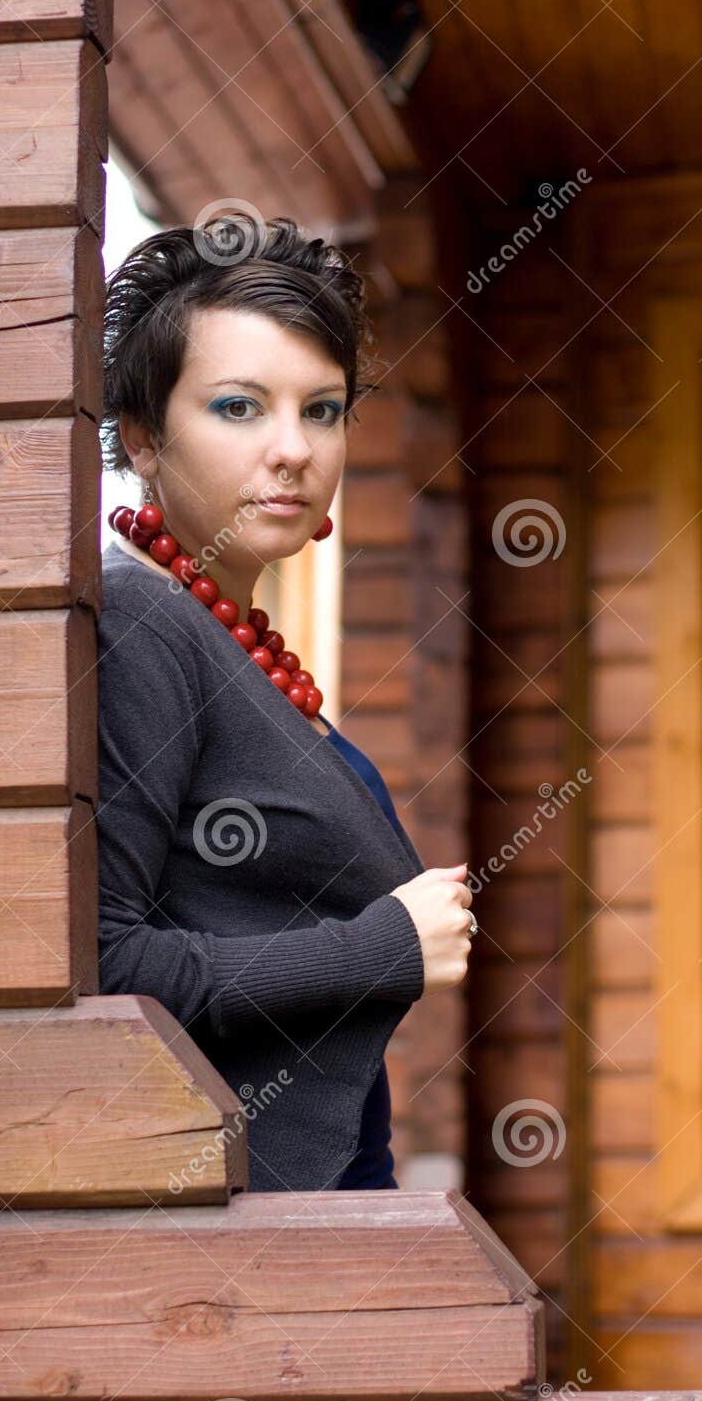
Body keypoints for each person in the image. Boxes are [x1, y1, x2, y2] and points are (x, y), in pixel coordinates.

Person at [95, 214, 475, 1192]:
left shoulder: (232, 642)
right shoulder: (139, 621)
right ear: (141, 434)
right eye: (237, 407)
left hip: (328, 1189)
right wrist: (378, 947)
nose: (292, 449)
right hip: (237, 1225)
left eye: (322, 409)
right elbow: (105, 965)